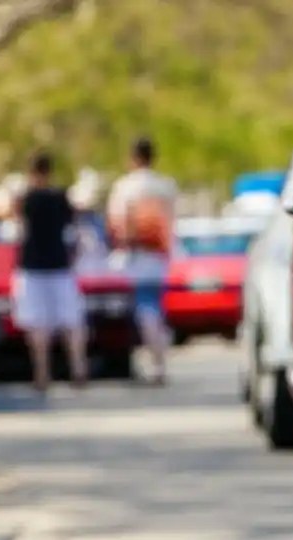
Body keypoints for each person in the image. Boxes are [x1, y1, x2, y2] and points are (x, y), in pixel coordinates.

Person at [13, 152, 88, 392]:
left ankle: (42, 374)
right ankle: (78, 369)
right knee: (71, 321)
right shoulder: (61, 197)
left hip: (32, 266)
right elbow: (74, 227)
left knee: (37, 325)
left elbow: (17, 228)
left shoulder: (25, 199)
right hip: (60, 265)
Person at [107, 137, 177, 385]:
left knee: (144, 309)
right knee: (155, 307)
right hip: (159, 257)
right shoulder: (166, 186)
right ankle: (158, 362)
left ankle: (155, 361)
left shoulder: (126, 187)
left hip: (135, 257)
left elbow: (117, 222)